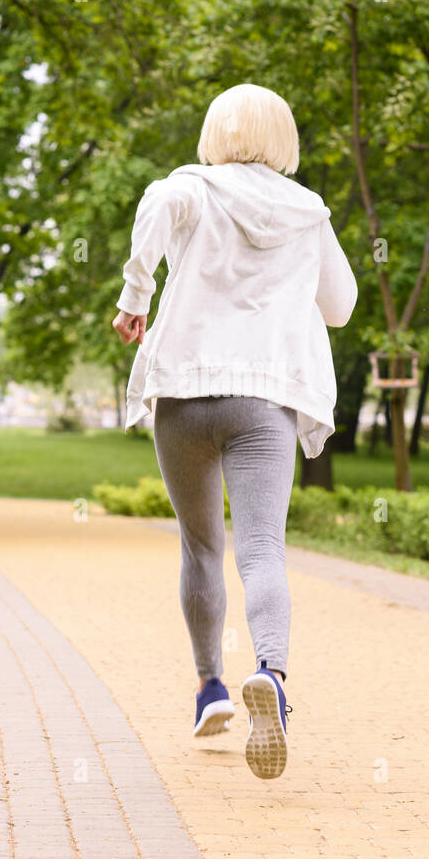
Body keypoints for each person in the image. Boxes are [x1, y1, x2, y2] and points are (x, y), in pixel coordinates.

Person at [112, 84, 357, 779]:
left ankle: (209, 689)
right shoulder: (308, 212)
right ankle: (272, 677)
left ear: (213, 131)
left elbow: (157, 204)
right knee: (261, 552)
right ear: (283, 138)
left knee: (199, 546)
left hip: (186, 396)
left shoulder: (191, 188)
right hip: (264, 402)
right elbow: (340, 308)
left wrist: (136, 295)